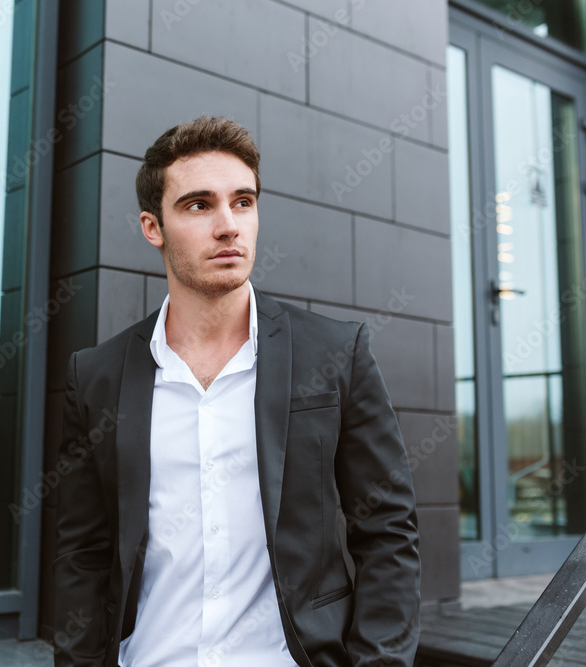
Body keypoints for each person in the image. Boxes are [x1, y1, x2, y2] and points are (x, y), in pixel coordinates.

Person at [53, 116, 420, 666]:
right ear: (153, 227)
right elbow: (83, 553)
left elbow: (387, 531)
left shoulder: (334, 354)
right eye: (199, 205)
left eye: (243, 202)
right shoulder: (96, 376)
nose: (228, 226)